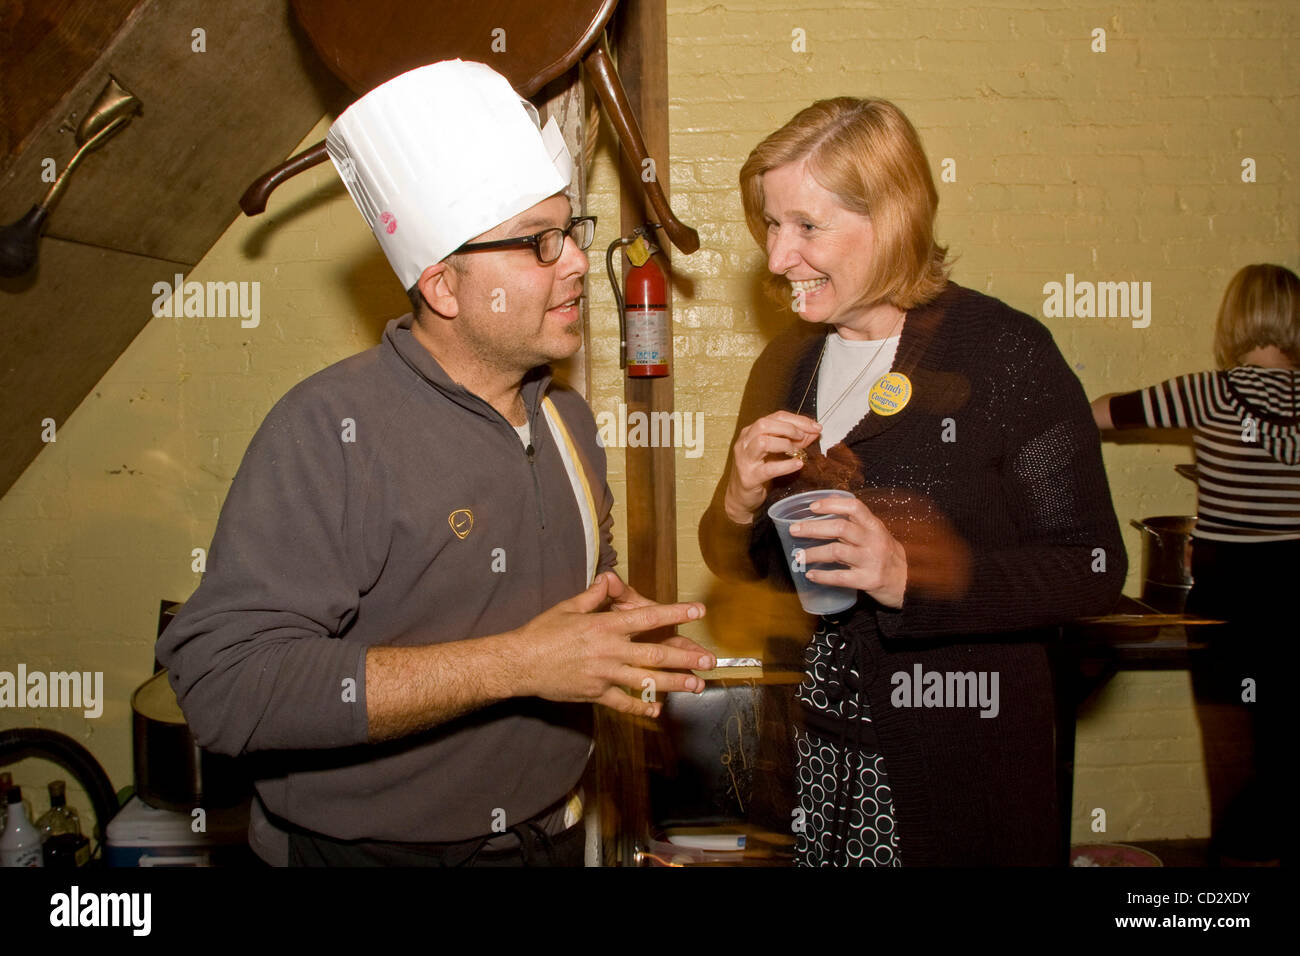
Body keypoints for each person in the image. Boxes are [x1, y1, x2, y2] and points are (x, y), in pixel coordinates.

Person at [157, 60, 715, 867]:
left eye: (572, 234)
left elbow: (564, 605)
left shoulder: (567, 418)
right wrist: (519, 663)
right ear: (444, 286)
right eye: (538, 243)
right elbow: (226, 688)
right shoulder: (330, 430)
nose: (573, 265)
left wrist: (607, 642)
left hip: (548, 843)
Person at [698, 96, 1126, 866]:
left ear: (892, 219)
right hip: (817, 759)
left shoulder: (1005, 354)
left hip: (958, 766)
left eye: (806, 227)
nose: (776, 257)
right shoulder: (787, 364)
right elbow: (740, 562)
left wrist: (906, 575)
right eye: (770, 224)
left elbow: (1091, 566)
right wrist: (735, 502)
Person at [1092, 263, 1297, 866]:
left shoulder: (1211, 392)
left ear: (1236, 321)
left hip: (1232, 598)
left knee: (1233, 760)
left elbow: (1104, 412)